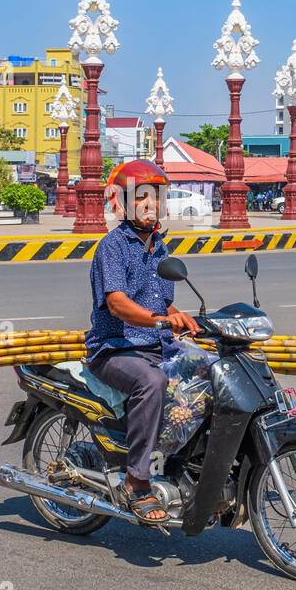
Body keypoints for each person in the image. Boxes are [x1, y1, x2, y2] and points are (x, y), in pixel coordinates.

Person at [85, 159, 200, 526]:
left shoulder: (160, 249)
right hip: (115, 348)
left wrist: (181, 318)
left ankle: (188, 461)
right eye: (142, 197)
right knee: (153, 383)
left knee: (209, 371)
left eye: (157, 197)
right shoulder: (112, 247)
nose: (151, 204)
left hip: (157, 344)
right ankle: (137, 480)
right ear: (122, 202)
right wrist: (162, 319)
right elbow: (118, 303)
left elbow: (159, 300)